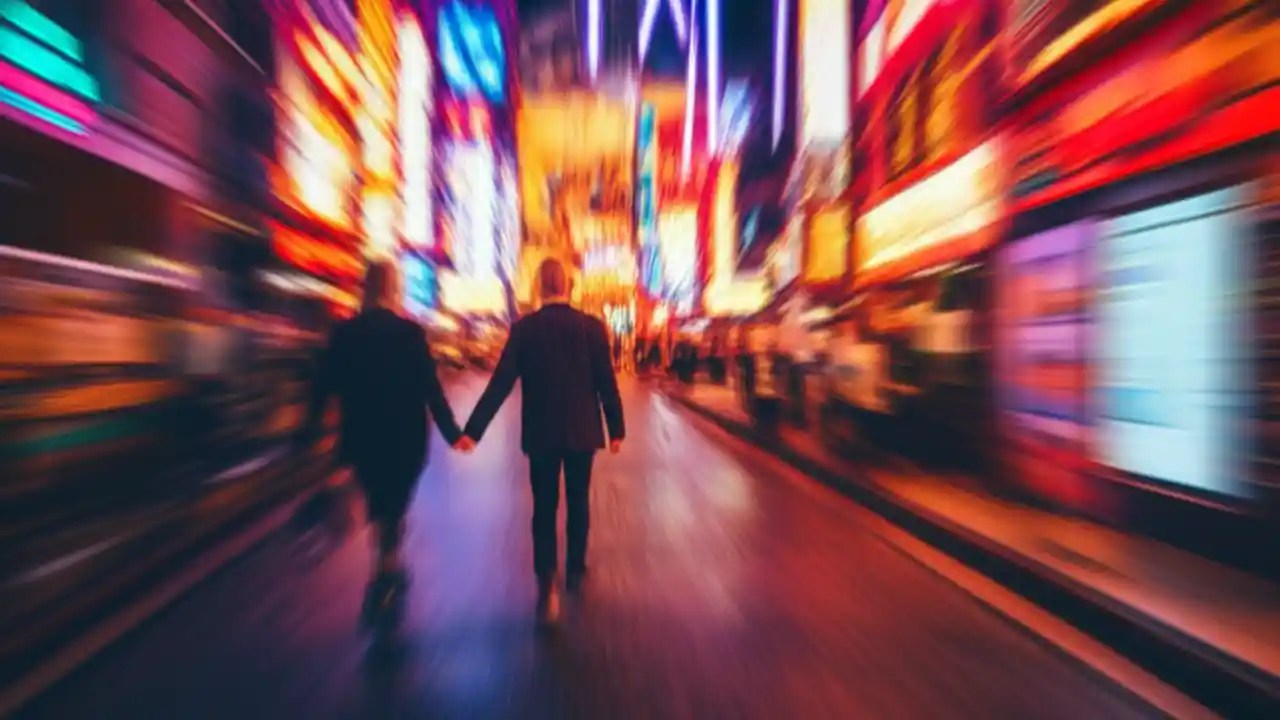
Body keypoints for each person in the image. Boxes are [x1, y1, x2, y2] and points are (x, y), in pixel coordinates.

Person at [302, 261, 471, 626]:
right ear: (393, 290)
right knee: (394, 505)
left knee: (379, 499)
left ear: (365, 288)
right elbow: (431, 389)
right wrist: (453, 434)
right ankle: (387, 567)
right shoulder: (411, 334)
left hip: (360, 439)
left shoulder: (344, 334)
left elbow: (322, 389)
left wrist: (308, 434)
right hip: (406, 439)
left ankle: (385, 568)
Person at [462, 259, 625, 625]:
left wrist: (472, 431)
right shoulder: (592, 328)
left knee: (545, 507)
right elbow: (606, 383)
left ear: (539, 288)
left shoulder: (525, 330)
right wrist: (616, 428)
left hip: (541, 434)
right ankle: (576, 570)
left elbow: (500, 383)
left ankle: (546, 584)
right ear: (569, 287)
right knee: (579, 500)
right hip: (583, 432)